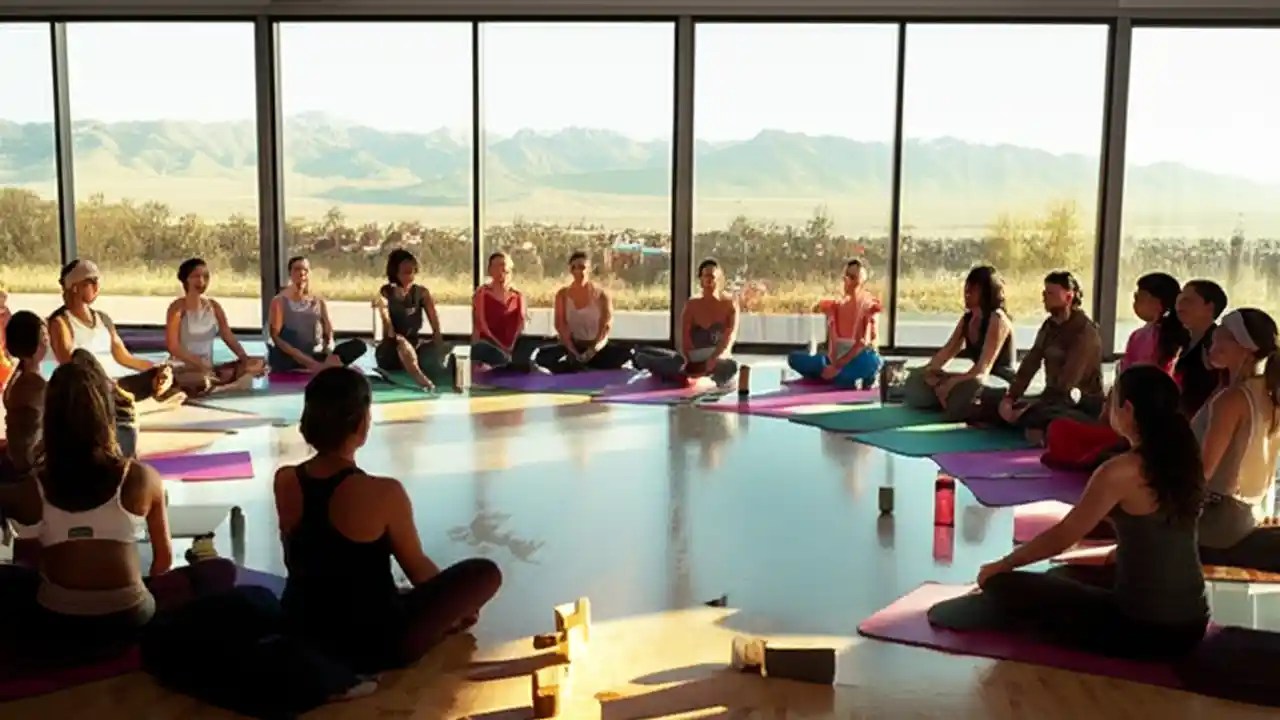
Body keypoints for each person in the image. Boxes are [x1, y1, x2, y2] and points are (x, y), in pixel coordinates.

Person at [950, 366, 1208, 660]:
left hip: (1146, 629)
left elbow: (1065, 535)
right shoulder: (1186, 458)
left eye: (1111, 400)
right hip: (1193, 623)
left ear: (1127, 409)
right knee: (1066, 574)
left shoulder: (1120, 471)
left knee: (1007, 585)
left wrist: (1002, 565)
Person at [0, 352, 237, 663]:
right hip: (131, 616)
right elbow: (162, 562)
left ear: (49, 418)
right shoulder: (141, 477)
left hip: (59, 620)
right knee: (220, 571)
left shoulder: (31, 488)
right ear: (106, 412)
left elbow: (29, 561)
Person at [275, 368, 502, 673]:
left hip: (303, 629)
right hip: (375, 644)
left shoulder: (285, 479)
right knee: (484, 574)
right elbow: (419, 570)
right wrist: (454, 606)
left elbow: (308, 558)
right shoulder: (384, 492)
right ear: (360, 423)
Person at [1040, 272, 1187, 469]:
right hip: (1120, 419)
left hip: (1139, 424)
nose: (1134, 300)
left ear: (1157, 303)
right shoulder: (1140, 336)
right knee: (1058, 428)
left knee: (1059, 427)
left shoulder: (1167, 342)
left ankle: (1110, 454)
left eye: (1139, 296)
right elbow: (1121, 381)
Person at [48, 260, 175, 458]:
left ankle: (145, 393)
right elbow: (69, 365)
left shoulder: (103, 318)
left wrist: (156, 367)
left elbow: (124, 357)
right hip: (91, 387)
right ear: (74, 287)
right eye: (91, 281)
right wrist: (104, 382)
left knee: (167, 375)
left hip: (118, 383)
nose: (97, 286)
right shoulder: (60, 322)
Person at [1192, 308, 1280, 571]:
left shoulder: (1232, 399)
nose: (1212, 343)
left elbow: (1203, 472)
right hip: (1253, 512)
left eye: (1222, 337)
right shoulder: (1269, 391)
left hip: (1220, 525)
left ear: (1246, 348)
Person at [903, 265, 1016, 420]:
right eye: (967, 288)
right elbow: (946, 352)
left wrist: (951, 383)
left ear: (988, 291)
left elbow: (982, 370)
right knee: (917, 382)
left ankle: (963, 405)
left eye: (973, 289)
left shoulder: (997, 319)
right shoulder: (967, 319)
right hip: (974, 378)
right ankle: (952, 403)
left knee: (965, 388)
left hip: (996, 382)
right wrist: (926, 373)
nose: (967, 293)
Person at [998, 271, 1104, 432]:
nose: (1044, 298)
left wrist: (1029, 408)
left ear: (1069, 297)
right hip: (1050, 399)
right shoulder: (1049, 326)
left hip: (1077, 405)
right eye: (1044, 293)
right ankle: (1031, 425)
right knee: (995, 402)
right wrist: (1010, 397)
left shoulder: (1085, 332)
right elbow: (1031, 363)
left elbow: (1067, 383)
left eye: (1050, 293)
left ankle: (1034, 425)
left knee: (1044, 415)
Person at [165, 258, 266, 395]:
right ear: (186, 279)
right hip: (184, 367)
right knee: (200, 379)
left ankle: (214, 385)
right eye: (196, 276)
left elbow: (227, 336)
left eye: (205, 276)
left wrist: (246, 359)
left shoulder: (214, 306)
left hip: (209, 368)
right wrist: (199, 363)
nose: (201, 281)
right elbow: (173, 347)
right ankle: (215, 385)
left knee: (258, 364)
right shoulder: (177, 308)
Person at [635, 259, 739, 387]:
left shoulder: (729, 305)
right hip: (693, 359)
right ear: (700, 280)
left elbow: (730, 336)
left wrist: (715, 358)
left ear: (720, 279)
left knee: (731, 367)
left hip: (718, 358)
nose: (710, 280)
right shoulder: (691, 305)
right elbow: (685, 340)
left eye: (713, 276)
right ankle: (642, 357)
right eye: (706, 276)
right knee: (675, 364)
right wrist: (690, 362)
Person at [786, 259, 883, 390]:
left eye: (853, 278)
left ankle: (835, 376)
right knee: (794, 359)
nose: (848, 281)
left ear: (862, 281)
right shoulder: (837, 306)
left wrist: (838, 366)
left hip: (861, 357)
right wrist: (832, 363)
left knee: (869, 363)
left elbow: (863, 343)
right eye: (846, 277)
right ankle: (833, 375)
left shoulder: (869, 304)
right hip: (839, 358)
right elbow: (832, 344)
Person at [534, 251, 633, 374]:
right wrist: (573, 351)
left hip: (597, 348)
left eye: (582, 267)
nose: (578, 272)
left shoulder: (602, 295)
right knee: (542, 358)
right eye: (574, 268)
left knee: (626, 356)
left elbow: (605, 328)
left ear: (589, 269)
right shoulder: (562, 295)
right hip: (573, 347)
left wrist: (592, 351)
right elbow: (560, 326)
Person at [268, 256, 367, 374]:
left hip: (315, 354)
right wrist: (309, 363)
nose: (302, 273)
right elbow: (276, 338)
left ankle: (328, 366)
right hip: (289, 357)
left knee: (359, 345)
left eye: (305, 270)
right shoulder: (279, 301)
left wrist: (329, 350)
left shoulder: (318, 301)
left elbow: (328, 331)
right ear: (290, 273)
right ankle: (324, 367)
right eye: (297, 269)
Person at [373, 249, 449, 390]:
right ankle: (421, 379)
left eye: (412, 272)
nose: (409, 277)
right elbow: (387, 325)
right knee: (401, 343)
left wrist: (438, 343)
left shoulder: (421, 293)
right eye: (405, 273)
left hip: (414, 344)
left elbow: (434, 321)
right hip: (391, 349)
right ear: (395, 273)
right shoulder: (386, 292)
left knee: (433, 349)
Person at [471, 252, 538, 373]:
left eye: (505, 266)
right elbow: (481, 324)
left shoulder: (518, 295)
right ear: (490, 270)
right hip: (488, 344)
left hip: (511, 346)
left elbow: (521, 323)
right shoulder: (482, 293)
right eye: (498, 266)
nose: (502, 269)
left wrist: (511, 346)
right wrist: (501, 347)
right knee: (489, 353)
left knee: (527, 358)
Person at [2, 312, 48, 480]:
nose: (47, 341)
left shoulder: (16, 378)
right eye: (43, 336)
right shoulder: (35, 385)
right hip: (29, 466)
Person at [1175, 279, 1229, 418]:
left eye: (1188, 301)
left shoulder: (1215, 343)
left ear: (1209, 307)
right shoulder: (1182, 340)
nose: (1180, 305)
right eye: (1179, 299)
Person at [1119, 272, 1186, 375]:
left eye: (1140, 298)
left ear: (1159, 303)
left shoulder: (1144, 336)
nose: (1135, 304)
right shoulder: (1181, 333)